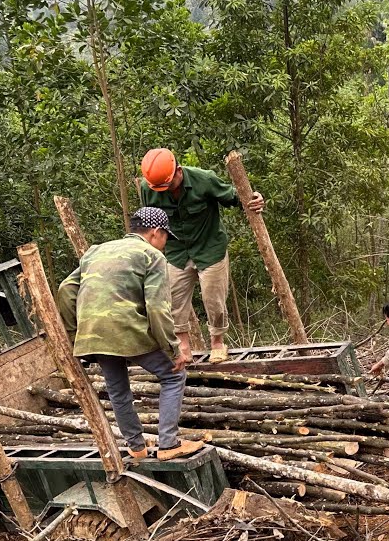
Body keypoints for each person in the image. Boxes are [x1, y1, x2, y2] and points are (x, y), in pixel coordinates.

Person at [56, 207, 204, 462]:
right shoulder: (151, 256)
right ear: (156, 232)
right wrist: (173, 349)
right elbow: (157, 308)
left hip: (93, 334)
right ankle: (169, 443)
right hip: (126, 330)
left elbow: (66, 290)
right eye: (166, 237)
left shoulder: (96, 251)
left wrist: (75, 334)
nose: (165, 244)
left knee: (117, 389)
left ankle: (136, 447)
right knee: (174, 375)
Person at [138, 148, 266, 364]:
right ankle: (184, 346)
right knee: (173, 299)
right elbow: (150, 219)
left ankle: (217, 342)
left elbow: (236, 198)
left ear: (178, 171)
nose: (164, 190)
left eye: (167, 185)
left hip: (209, 248)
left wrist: (255, 199)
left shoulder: (204, 179)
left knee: (213, 299)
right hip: (177, 251)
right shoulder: (148, 188)